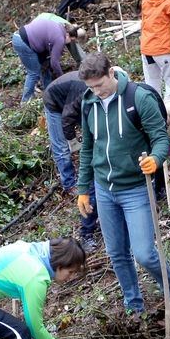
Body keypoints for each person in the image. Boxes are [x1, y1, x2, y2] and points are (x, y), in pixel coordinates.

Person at [76, 52, 170, 317]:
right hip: (104, 190)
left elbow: (161, 138)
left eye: (99, 85)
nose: (96, 92)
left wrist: (155, 158)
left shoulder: (138, 98)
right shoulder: (89, 103)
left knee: (143, 253)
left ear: (111, 74)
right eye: (90, 88)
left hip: (135, 189)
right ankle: (134, 302)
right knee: (117, 252)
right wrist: (83, 189)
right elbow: (87, 147)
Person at [42, 70, 100, 252]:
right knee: (61, 148)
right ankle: (69, 183)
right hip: (54, 102)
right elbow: (67, 117)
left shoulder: (99, 92)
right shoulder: (84, 92)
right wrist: (73, 141)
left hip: (70, 100)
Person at [12, 15, 85, 103]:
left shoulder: (59, 26)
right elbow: (54, 63)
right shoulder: (60, 38)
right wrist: (63, 78)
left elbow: (47, 45)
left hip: (25, 38)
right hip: (23, 42)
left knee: (45, 67)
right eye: (71, 40)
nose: (70, 44)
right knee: (33, 73)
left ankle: (49, 93)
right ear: (68, 35)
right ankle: (25, 102)